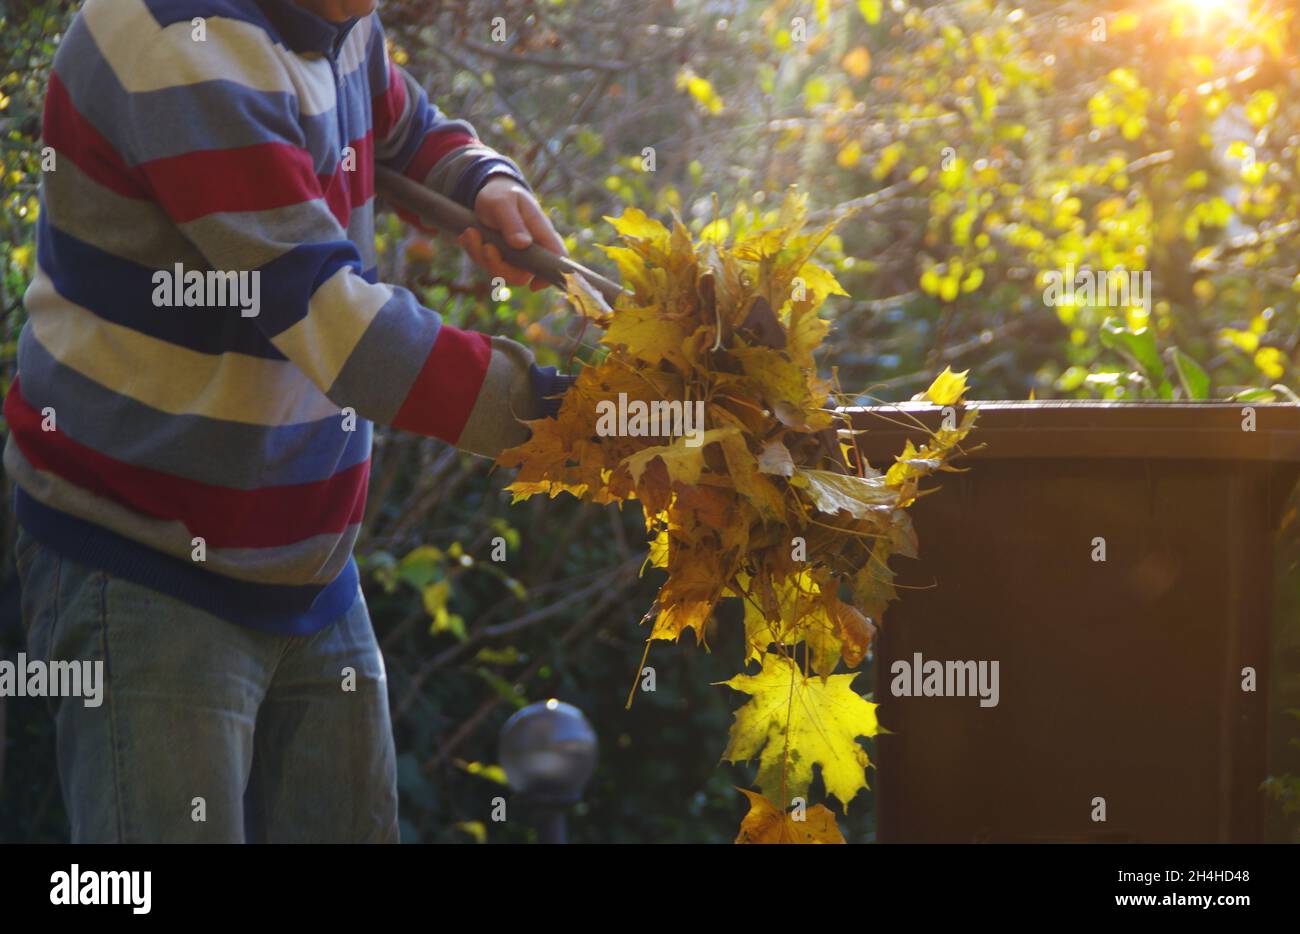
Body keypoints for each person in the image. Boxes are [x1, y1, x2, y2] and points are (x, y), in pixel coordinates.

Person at [4, 0, 572, 842]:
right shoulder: (181, 42)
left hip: (306, 562)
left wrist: (479, 177)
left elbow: (398, 120)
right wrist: (570, 416)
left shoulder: (335, 14)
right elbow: (334, 321)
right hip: (144, 554)